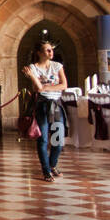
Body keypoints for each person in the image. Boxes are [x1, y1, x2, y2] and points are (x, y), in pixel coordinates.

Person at [23, 39, 68, 181]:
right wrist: (32, 77)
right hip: (42, 104)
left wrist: (47, 87)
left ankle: (52, 165)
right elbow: (37, 88)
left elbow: (64, 85)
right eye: (47, 50)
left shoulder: (57, 66)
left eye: (51, 49)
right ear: (39, 53)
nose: (51, 52)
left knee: (58, 139)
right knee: (42, 139)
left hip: (56, 104)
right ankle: (46, 170)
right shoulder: (33, 67)